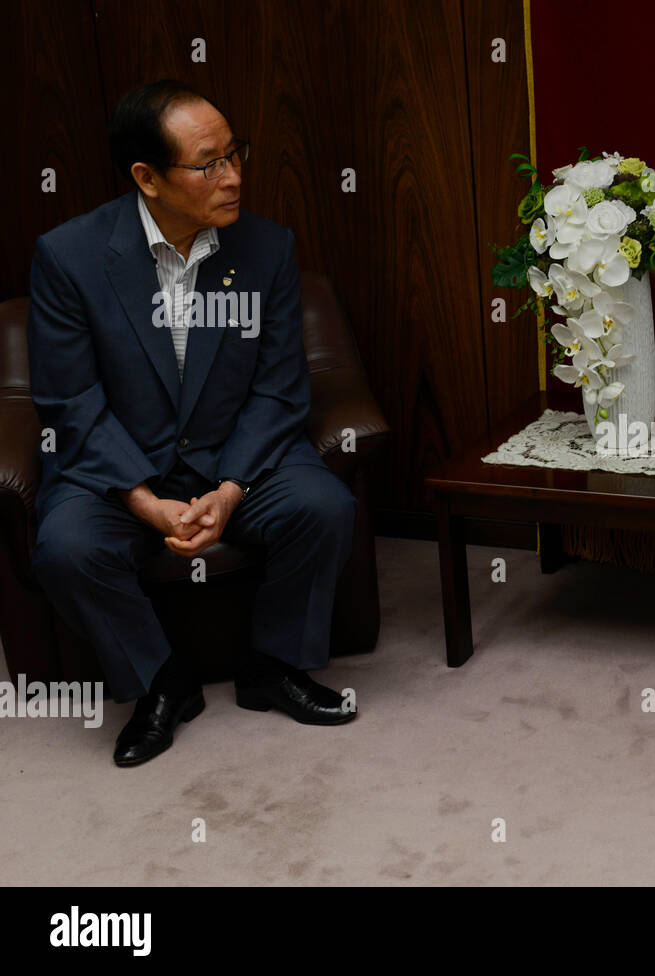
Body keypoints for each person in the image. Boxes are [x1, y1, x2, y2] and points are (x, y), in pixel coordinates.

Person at [28, 80, 360, 766]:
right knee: (65, 546)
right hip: (117, 469)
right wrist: (145, 501)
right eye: (208, 164)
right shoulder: (70, 258)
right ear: (147, 177)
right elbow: (72, 403)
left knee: (323, 505)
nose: (233, 176)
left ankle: (273, 667)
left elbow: (277, 390)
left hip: (234, 454)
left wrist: (232, 485)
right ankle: (160, 682)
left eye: (236, 153)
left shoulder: (267, 249)